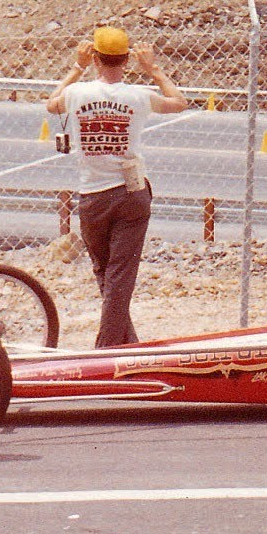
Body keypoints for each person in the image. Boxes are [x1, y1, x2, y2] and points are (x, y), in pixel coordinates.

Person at [46, 27, 188, 348]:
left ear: (95, 58)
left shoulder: (77, 94)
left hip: (93, 198)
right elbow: (179, 102)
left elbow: (50, 103)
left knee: (106, 273)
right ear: (127, 60)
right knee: (120, 277)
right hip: (131, 194)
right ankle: (118, 347)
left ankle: (111, 347)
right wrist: (154, 69)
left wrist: (75, 68)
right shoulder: (138, 97)